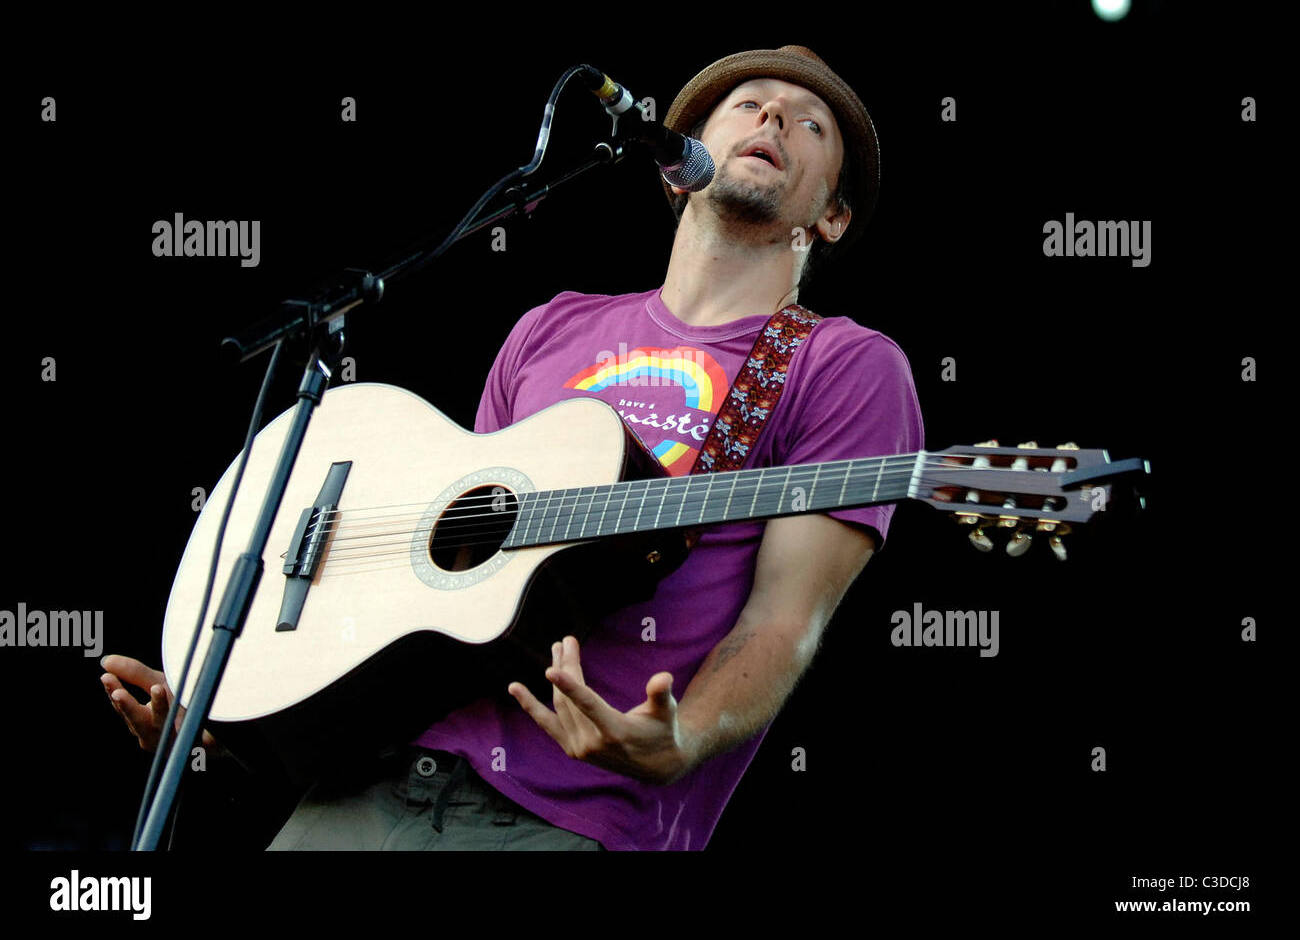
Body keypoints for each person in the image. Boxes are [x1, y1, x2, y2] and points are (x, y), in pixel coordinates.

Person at [103, 45, 925, 851]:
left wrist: (684, 738)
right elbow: (436, 577)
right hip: (366, 787)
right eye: (747, 102)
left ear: (833, 214)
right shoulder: (552, 325)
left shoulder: (845, 365)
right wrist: (243, 699)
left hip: (571, 817)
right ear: (679, 164)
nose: (775, 113)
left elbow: (785, 620)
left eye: (813, 123)